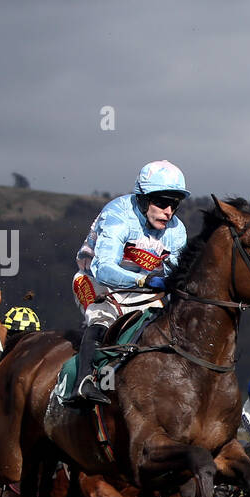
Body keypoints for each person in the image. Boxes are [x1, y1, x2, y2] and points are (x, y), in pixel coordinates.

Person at [67, 160, 190, 406]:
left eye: (174, 205)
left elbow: (175, 277)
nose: (169, 212)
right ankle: (83, 382)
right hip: (96, 280)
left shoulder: (177, 231)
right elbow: (103, 269)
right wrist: (146, 279)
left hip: (142, 289)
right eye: (163, 202)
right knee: (101, 316)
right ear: (143, 199)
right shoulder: (118, 215)